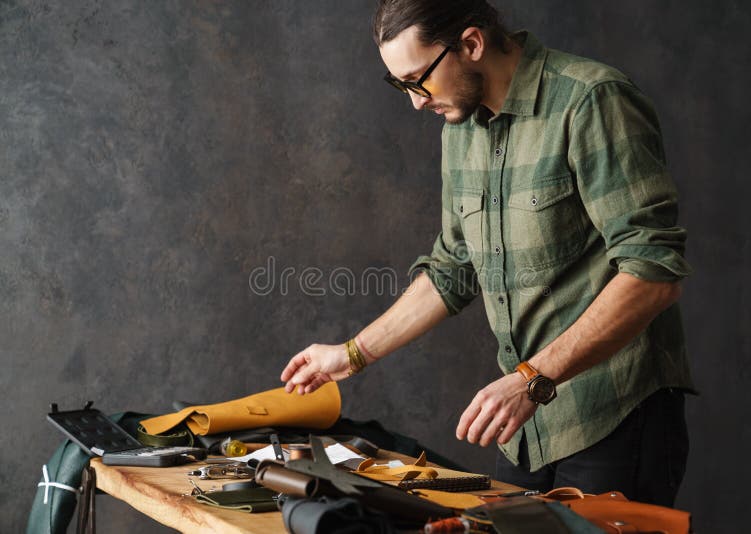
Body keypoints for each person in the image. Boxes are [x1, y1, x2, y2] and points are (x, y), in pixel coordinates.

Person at [281, 0, 693, 508]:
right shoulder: (460, 128)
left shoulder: (590, 100)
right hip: (524, 427)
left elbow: (652, 272)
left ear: (472, 44)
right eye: (402, 86)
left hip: (616, 415)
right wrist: (352, 354)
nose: (415, 103)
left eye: (418, 80)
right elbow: (453, 268)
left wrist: (532, 379)